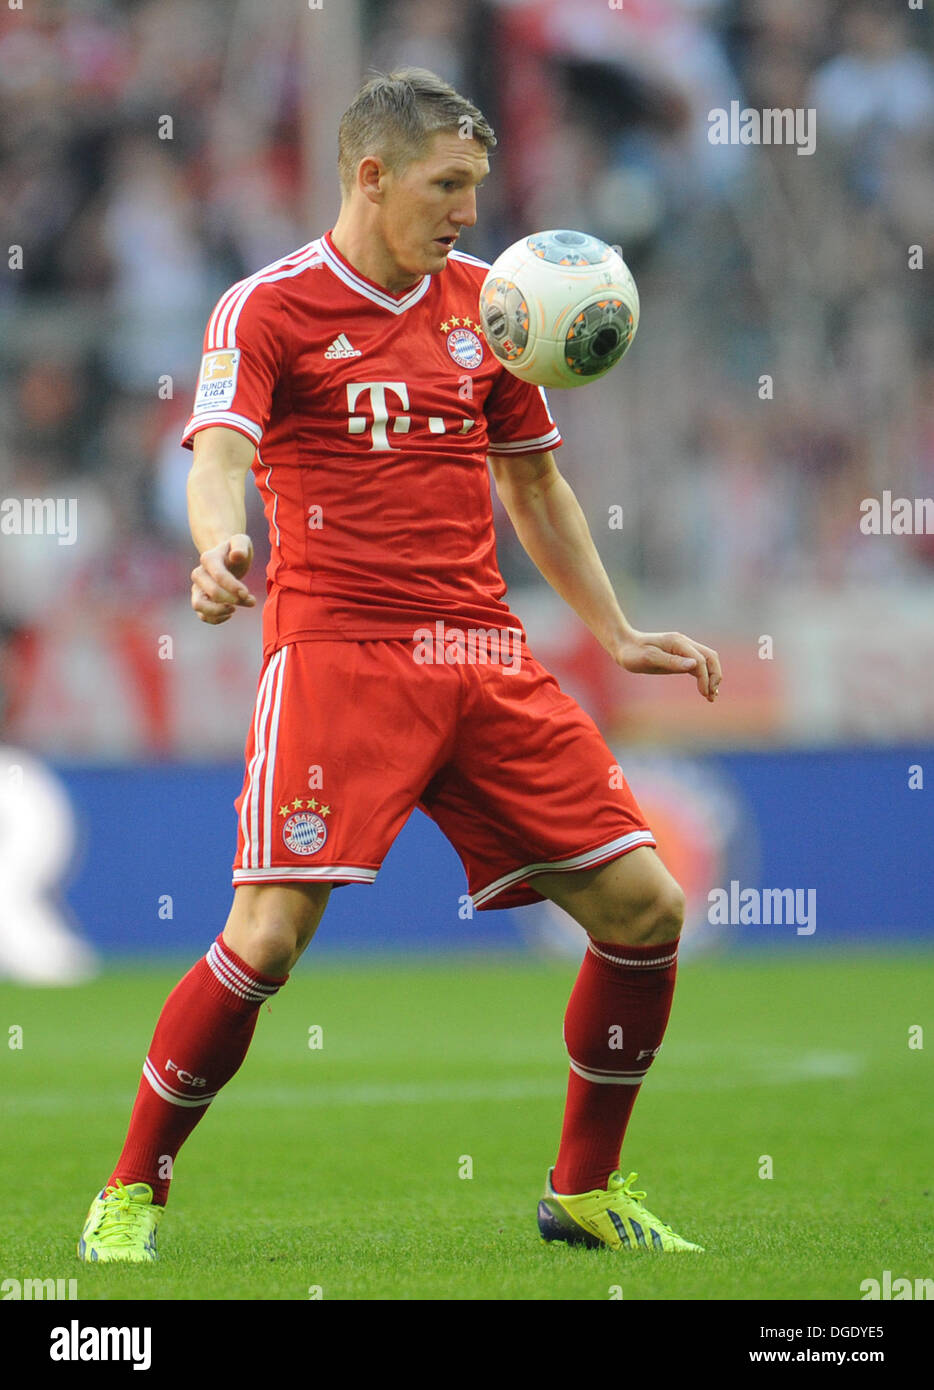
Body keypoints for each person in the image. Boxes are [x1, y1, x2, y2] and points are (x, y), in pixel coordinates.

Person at [77, 67, 720, 1265]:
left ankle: (582, 1190)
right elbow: (218, 453)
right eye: (449, 184)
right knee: (266, 937)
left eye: (476, 184)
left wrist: (617, 627)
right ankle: (130, 1192)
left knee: (645, 908)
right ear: (371, 176)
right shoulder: (265, 308)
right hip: (338, 657)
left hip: (482, 653)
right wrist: (219, 543)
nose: (470, 209)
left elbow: (533, 481)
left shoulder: (499, 306)